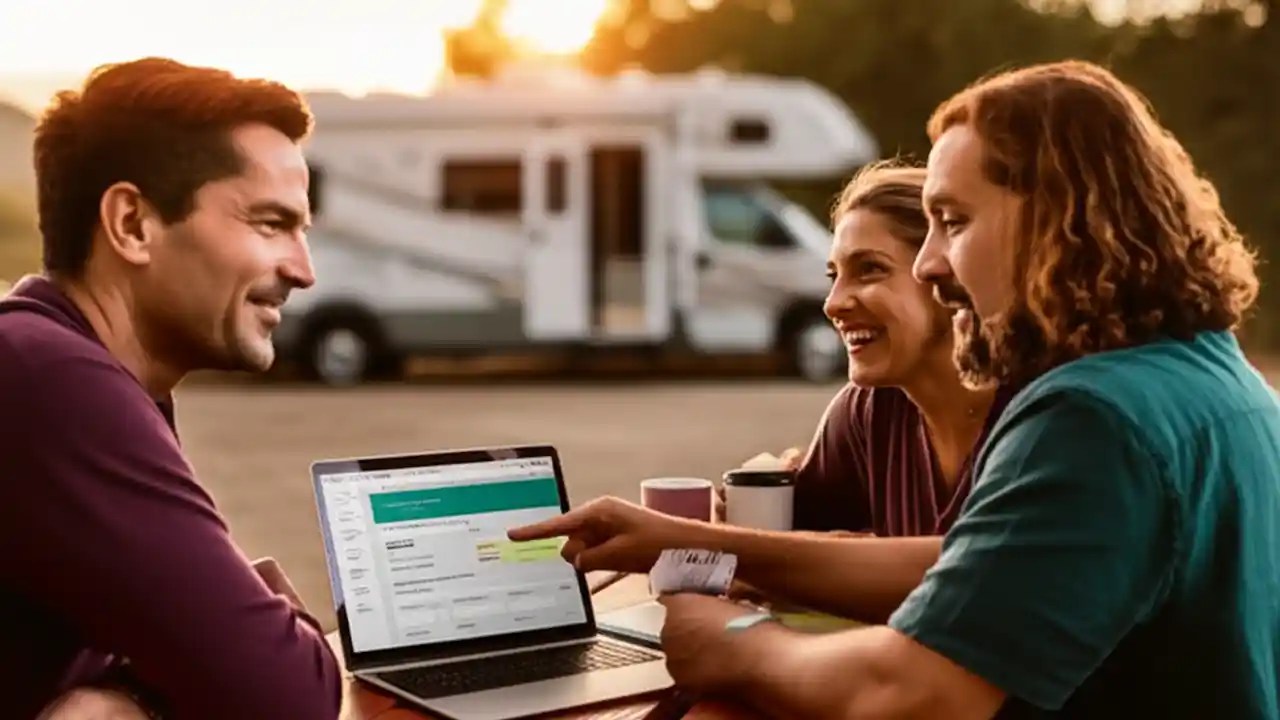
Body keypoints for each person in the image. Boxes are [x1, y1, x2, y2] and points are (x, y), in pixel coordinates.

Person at [510, 59, 1279, 719]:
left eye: (953, 222)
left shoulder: (1092, 418)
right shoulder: (1216, 375)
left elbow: (910, 695)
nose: (930, 265)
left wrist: (736, 645)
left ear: (1059, 220)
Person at [0, 58, 342, 719]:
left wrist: (120, 697)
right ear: (131, 223)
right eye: (270, 224)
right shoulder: (53, 384)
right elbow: (291, 699)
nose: (304, 271)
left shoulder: (45, 359)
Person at [721, 160, 1013, 538]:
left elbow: (982, 572)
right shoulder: (869, 411)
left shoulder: (1039, 411)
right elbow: (787, 550)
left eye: (869, 269)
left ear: (946, 271)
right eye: (834, 276)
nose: (832, 303)